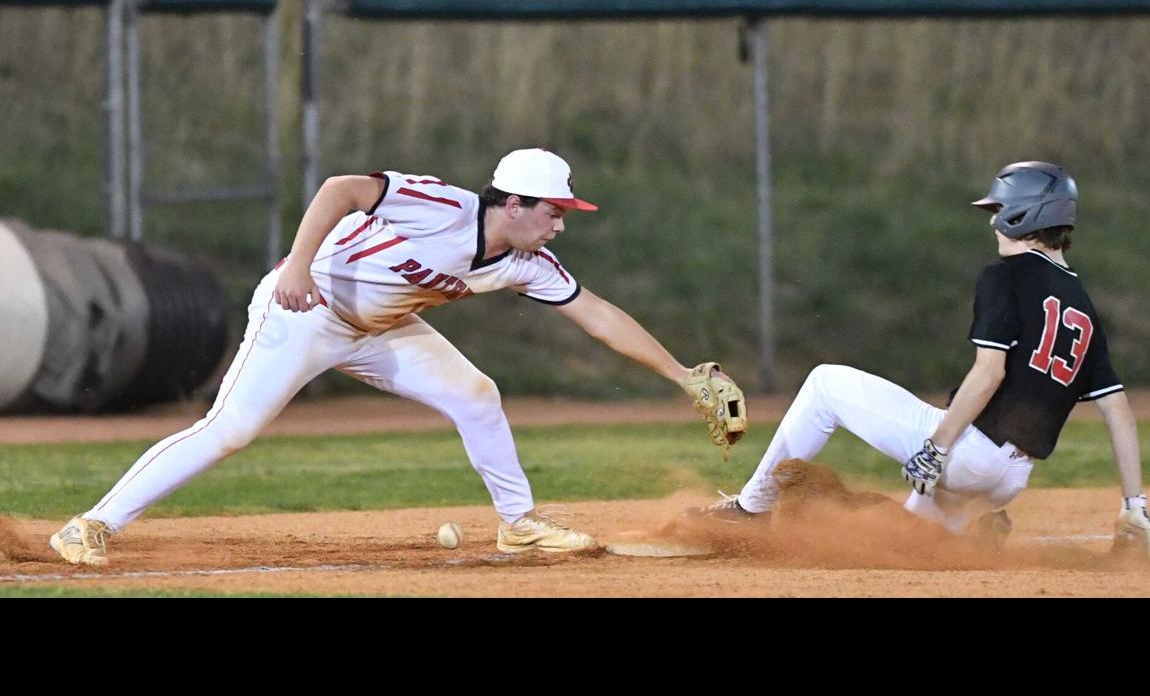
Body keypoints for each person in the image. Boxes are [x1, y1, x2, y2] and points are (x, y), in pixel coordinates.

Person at [50, 148, 738, 566]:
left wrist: (682, 375)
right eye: (553, 212)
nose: (560, 224)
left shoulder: (527, 263)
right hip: (306, 309)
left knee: (477, 394)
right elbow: (341, 189)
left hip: (381, 329)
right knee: (231, 429)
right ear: (514, 203)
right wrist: (298, 265)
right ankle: (91, 524)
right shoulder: (441, 206)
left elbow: (597, 314)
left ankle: (519, 525)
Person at [697, 160, 1150, 554]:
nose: (993, 222)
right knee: (909, 542)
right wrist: (1134, 507)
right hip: (1010, 479)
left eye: (999, 210)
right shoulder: (1083, 307)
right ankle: (967, 539)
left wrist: (936, 449)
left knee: (824, 384)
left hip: (967, 454)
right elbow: (1118, 411)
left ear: (1025, 214)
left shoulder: (1007, 275)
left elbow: (989, 374)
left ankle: (749, 510)